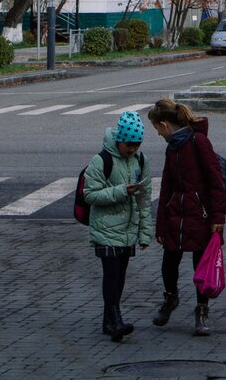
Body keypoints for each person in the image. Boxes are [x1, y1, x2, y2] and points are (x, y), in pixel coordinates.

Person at [147, 98, 226, 337]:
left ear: (164, 124)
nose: (158, 134)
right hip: (175, 217)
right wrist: (160, 224)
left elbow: (215, 183)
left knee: (200, 268)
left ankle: (202, 311)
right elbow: (166, 188)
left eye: (157, 129)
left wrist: (217, 218)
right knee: (168, 264)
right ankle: (170, 299)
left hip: (200, 217)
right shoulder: (172, 147)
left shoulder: (199, 142)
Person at [83, 110, 152, 342]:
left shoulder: (141, 160)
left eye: (137, 144)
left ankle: (109, 320)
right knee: (111, 275)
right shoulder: (101, 160)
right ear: (119, 139)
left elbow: (144, 198)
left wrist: (145, 232)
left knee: (120, 276)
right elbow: (90, 195)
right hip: (105, 228)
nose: (132, 149)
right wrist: (122, 191)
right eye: (128, 144)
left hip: (128, 229)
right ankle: (116, 320)